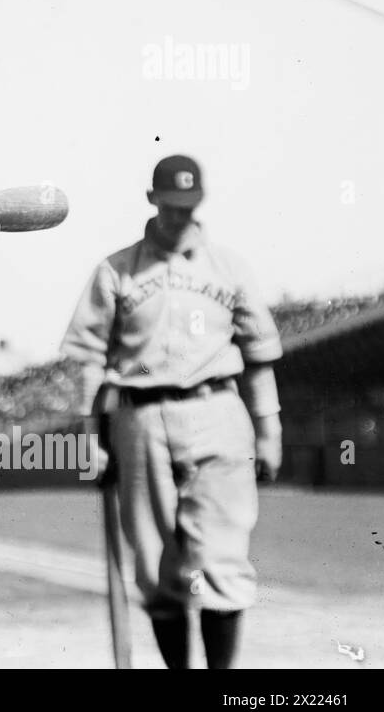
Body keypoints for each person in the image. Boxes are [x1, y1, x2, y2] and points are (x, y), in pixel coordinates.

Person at [61, 154, 283, 669]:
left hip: (218, 410)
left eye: (190, 205)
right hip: (140, 418)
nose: (180, 215)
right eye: (172, 204)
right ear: (152, 199)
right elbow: (88, 361)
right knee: (158, 568)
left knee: (221, 562)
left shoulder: (229, 267)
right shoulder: (115, 270)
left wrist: (269, 430)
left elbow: (260, 357)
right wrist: (91, 439)